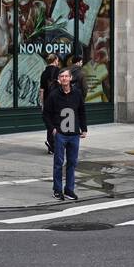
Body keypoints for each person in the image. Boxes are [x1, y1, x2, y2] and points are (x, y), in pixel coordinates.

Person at [45, 67, 87, 201]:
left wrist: (84, 128)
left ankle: (69, 189)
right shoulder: (54, 95)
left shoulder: (77, 93)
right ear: (59, 79)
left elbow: (82, 111)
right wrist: (52, 129)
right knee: (58, 162)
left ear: (70, 78)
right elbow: (46, 114)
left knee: (72, 163)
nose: (64, 78)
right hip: (60, 134)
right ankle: (57, 190)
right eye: (61, 76)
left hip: (74, 134)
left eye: (66, 76)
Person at [39, 54, 64, 154]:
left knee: (49, 121)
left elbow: (41, 90)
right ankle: (53, 144)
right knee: (56, 122)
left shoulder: (44, 73)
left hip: (47, 100)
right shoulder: (58, 71)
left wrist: (42, 103)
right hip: (57, 100)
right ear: (56, 60)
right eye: (58, 60)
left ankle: (51, 143)